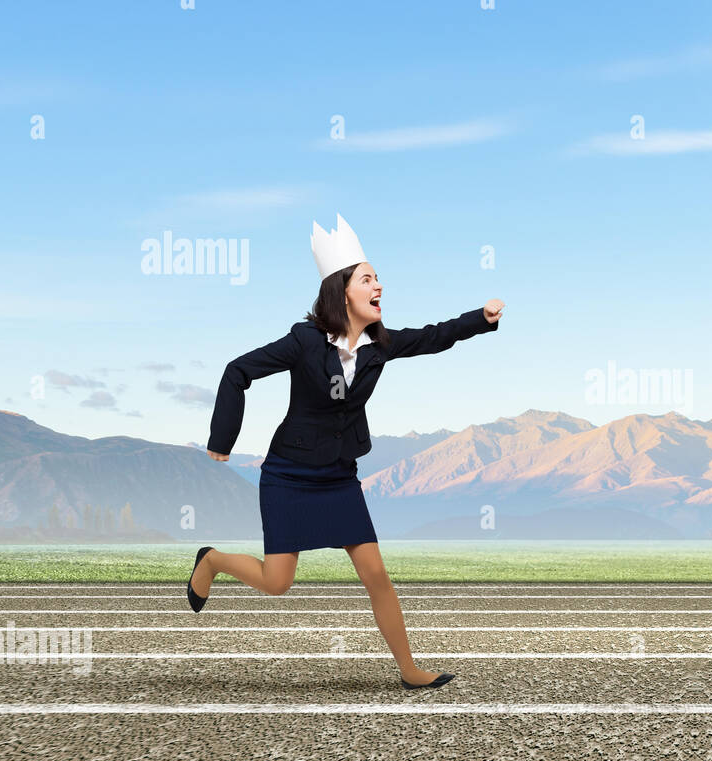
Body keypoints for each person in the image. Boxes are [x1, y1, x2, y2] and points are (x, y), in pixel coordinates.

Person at [187, 213, 503, 689]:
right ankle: (210, 560)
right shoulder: (304, 341)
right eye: (368, 279)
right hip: (290, 474)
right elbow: (238, 371)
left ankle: (409, 670)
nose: (380, 286)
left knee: (376, 574)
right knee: (278, 582)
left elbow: (435, 336)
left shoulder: (380, 346)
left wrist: (481, 319)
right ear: (343, 291)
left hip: (338, 476)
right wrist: (221, 440)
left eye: (378, 278)